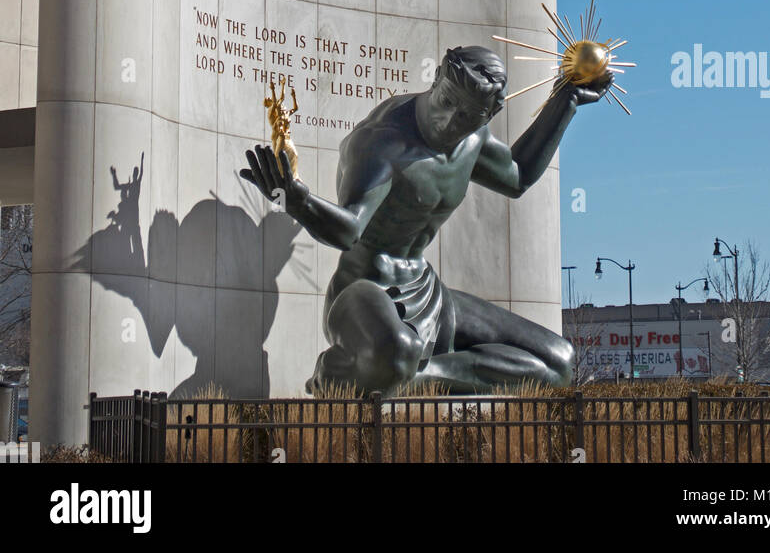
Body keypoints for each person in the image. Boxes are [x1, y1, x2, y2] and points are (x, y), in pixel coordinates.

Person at [241, 46, 612, 395]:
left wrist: (566, 100)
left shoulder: (473, 142)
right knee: (399, 348)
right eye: (447, 101)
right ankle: (378, 367)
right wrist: (298, 201)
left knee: (559, 365)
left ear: (489, 115)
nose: (450, 121)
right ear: (435, 79)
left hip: (426, 290)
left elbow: (518, 176)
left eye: (468, 115)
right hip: (364, 293)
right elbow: (349, 232)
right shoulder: (382, 142)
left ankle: (409, 375)